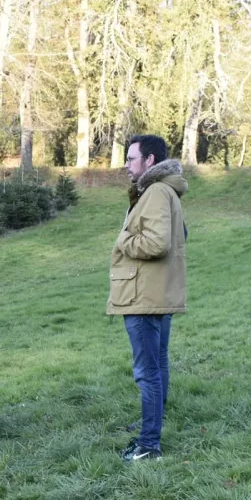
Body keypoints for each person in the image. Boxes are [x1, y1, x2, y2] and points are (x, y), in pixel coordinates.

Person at [109, 134, 188, 462]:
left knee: (147, 370)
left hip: (144, 296)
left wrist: (124, 239)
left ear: (150, 161)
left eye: (131, 158)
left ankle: (149, 443)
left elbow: (157, 244)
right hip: (156, 292)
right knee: (157, 365)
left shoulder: (155, 191)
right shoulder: (166, 191)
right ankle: (150, 424)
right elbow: (179, 235)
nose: (126, 165)